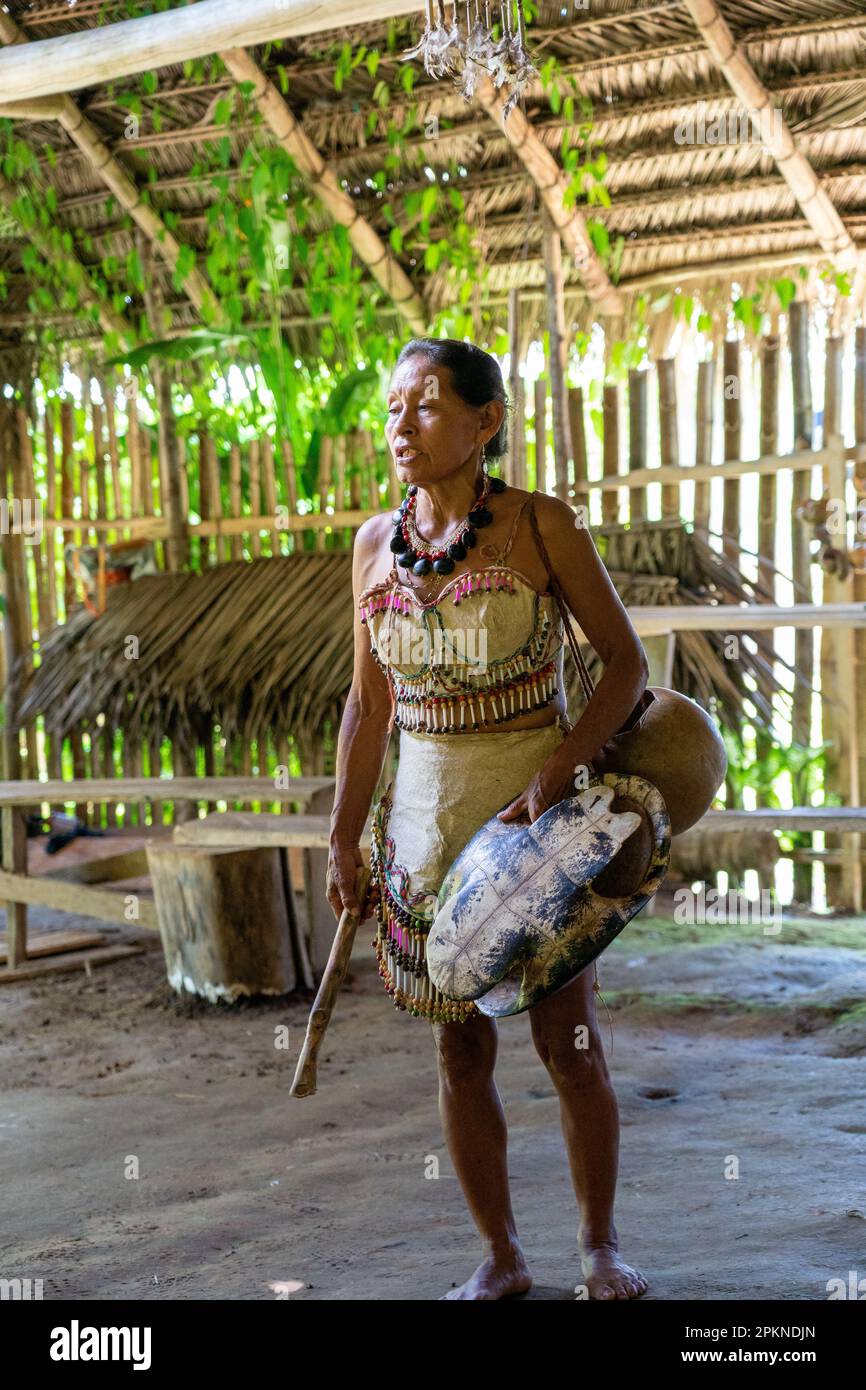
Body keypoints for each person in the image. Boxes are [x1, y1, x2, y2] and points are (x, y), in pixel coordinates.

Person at [327, 337, 650, 1301]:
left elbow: (625, 665)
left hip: (536, 830)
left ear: (486, 421)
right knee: (459, 1046)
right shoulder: (374, 547)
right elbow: (368, 705)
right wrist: (343, 834)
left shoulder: (542, 526)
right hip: (421, 835)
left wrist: (560, 768)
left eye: (426, 404)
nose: (402, 425)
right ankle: (502, 1257)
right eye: (393, 407)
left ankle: (598, 1248)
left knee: (568, 1041)